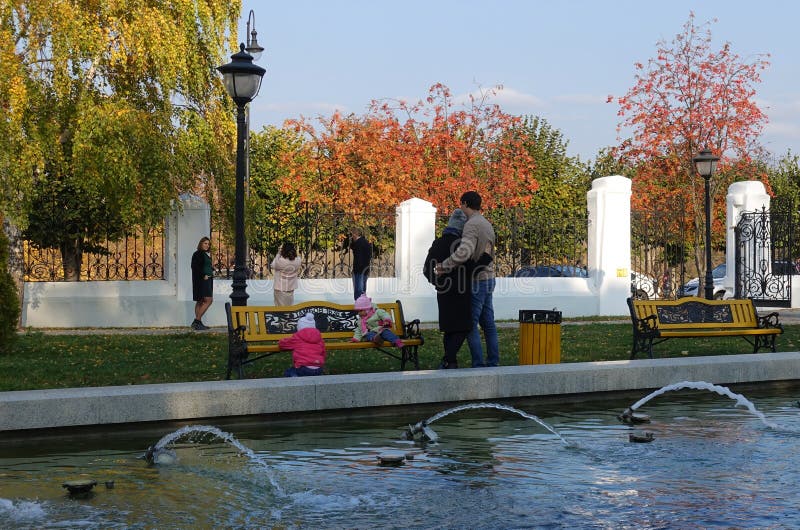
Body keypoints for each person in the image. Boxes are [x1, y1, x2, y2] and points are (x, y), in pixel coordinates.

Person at [436, 191, 498, 367]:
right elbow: (488, 252)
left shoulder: (471, 225)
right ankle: (493, 361)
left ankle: (478, 363)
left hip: (477, 280)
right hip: (489, 277)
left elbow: (464, 252)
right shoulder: (487, 224)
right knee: (488, 324)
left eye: (461, 205)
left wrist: (445, 266)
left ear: (464, 204)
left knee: (470, 325)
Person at [423, 209, 472, 369]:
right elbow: (471, 266)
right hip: (461, 290)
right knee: (464, 327)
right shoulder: (462, 244)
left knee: (449, 328)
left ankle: (450, 362)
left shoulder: (438, 243)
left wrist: (438, 282)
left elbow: (426, 269)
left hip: (444, 291)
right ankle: (449, 359)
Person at [280, 313, 326, 377]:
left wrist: (281, 341)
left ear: (299, 327)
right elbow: (323, 353)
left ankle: (296, 378)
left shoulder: (297, 337)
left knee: (289, 372)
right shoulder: (320, 339)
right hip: (318, 368)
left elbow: (283, 345)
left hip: (303, 367)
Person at [190, 236, 213, 330]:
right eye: (205, 243)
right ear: (201, 244)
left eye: (208, 244)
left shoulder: (205, 254)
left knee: (200, 301)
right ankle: (197, 321)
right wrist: (203, 275)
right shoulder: (198, 254)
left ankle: (198, 324)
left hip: (208, 279)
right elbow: (195, 267)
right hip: (202, 280)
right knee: (208, 300)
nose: (207, 245)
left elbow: (205, 266)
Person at [271, 241, 302, 306]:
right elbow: (297, 257)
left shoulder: (280, 261)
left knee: (280, 308)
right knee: (289, 306)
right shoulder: (298, 260)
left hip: (280, 288)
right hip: (291, 287)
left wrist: (278, 254)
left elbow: (272, 265)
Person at [350, 227, 372, 300]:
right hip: (365, 269)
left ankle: (359, 308)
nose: (351, 236)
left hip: (359, 270)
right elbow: (369, 256)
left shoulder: (358, 243)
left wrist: (355, 270)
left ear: (355, 234)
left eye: (352, 234)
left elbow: (358, 258)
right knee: (363, 291)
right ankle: (363, 308)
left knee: (358, 292)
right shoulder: (366, 242)